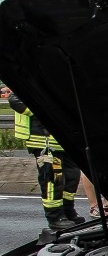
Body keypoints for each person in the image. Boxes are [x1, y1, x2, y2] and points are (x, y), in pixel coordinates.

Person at [9, 95, 84, 230]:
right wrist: (43, 113)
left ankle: (67, 211)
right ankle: (55, 217)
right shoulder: (31, 78)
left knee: (72, 176)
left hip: (65, 140)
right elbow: (15, 100)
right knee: (53, 178)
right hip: (43, 140)